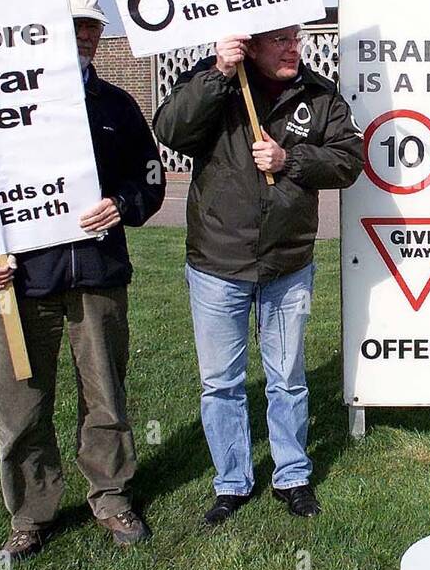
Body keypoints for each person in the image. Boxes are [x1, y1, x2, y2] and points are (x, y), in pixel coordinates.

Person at [0, 0, 166, 563]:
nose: (85, 37)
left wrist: (124, 204)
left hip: (99, 277)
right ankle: (30, 514)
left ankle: (109, 494)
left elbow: (150, 179)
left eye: (92, 27)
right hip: (21, 285)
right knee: (22, 404)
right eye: (73, 25)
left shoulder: (117, 105)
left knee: (106, 396)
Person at [152, 28, 363, 526]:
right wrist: (218, 73)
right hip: (217, 263)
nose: (294, 48)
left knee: (287, 378)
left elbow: (349, 161)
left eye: (296, 39)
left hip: (288, 264)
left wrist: (292, 159)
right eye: (280, 41)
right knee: (221, 382)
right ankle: (231, 481)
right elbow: (171, 130)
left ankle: (292, 474)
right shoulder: (214, 84)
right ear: (250, 45)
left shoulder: (319, 95)